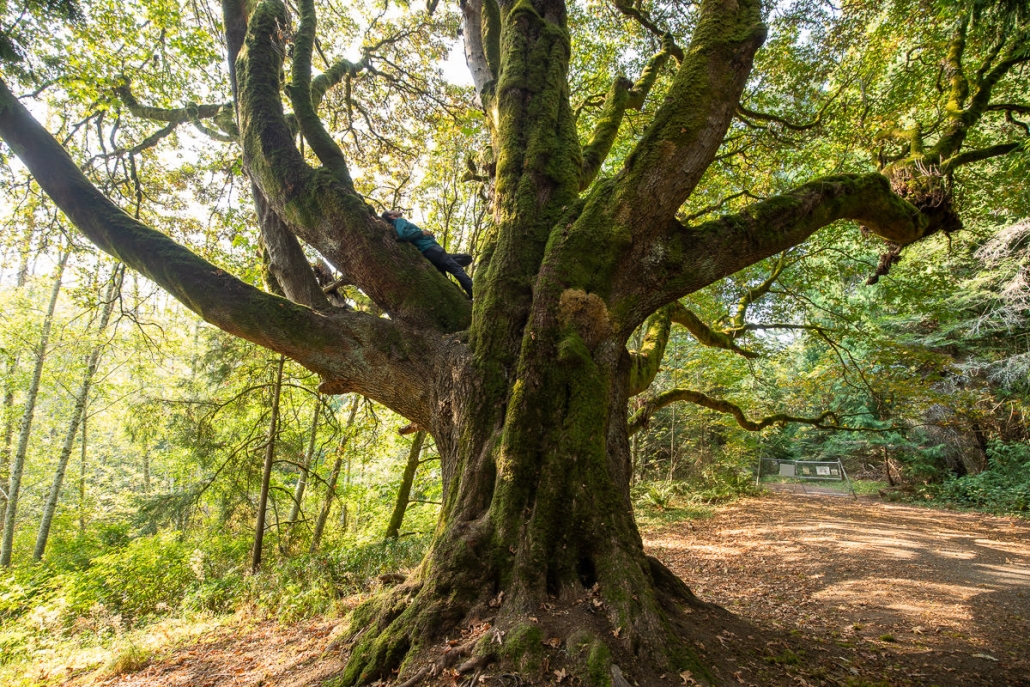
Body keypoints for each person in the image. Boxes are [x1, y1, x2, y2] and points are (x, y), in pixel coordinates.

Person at [382, 210, 474, 299]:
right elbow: (403, 234)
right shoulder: (399, 220)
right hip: (431, 249)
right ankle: (474, 294)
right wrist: (422, 232)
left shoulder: (396, 225)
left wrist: (428, 236)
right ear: (391, 216)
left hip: (430, 252)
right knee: (457, 269)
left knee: (463, 261)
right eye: (392, 210)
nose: (396, 210)